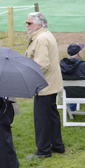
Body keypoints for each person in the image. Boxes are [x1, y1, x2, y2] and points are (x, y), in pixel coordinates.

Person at [25, 13, 65, 159]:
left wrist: (29, 75)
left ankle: (43, 150)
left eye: (29, 23)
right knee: (51, 115)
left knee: (42, 119)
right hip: (50, 83)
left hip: (44, 85)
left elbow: (42, 65)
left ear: (38, 25)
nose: (26, 26)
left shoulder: (41, 38)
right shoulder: (44, 35)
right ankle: (57, 145)